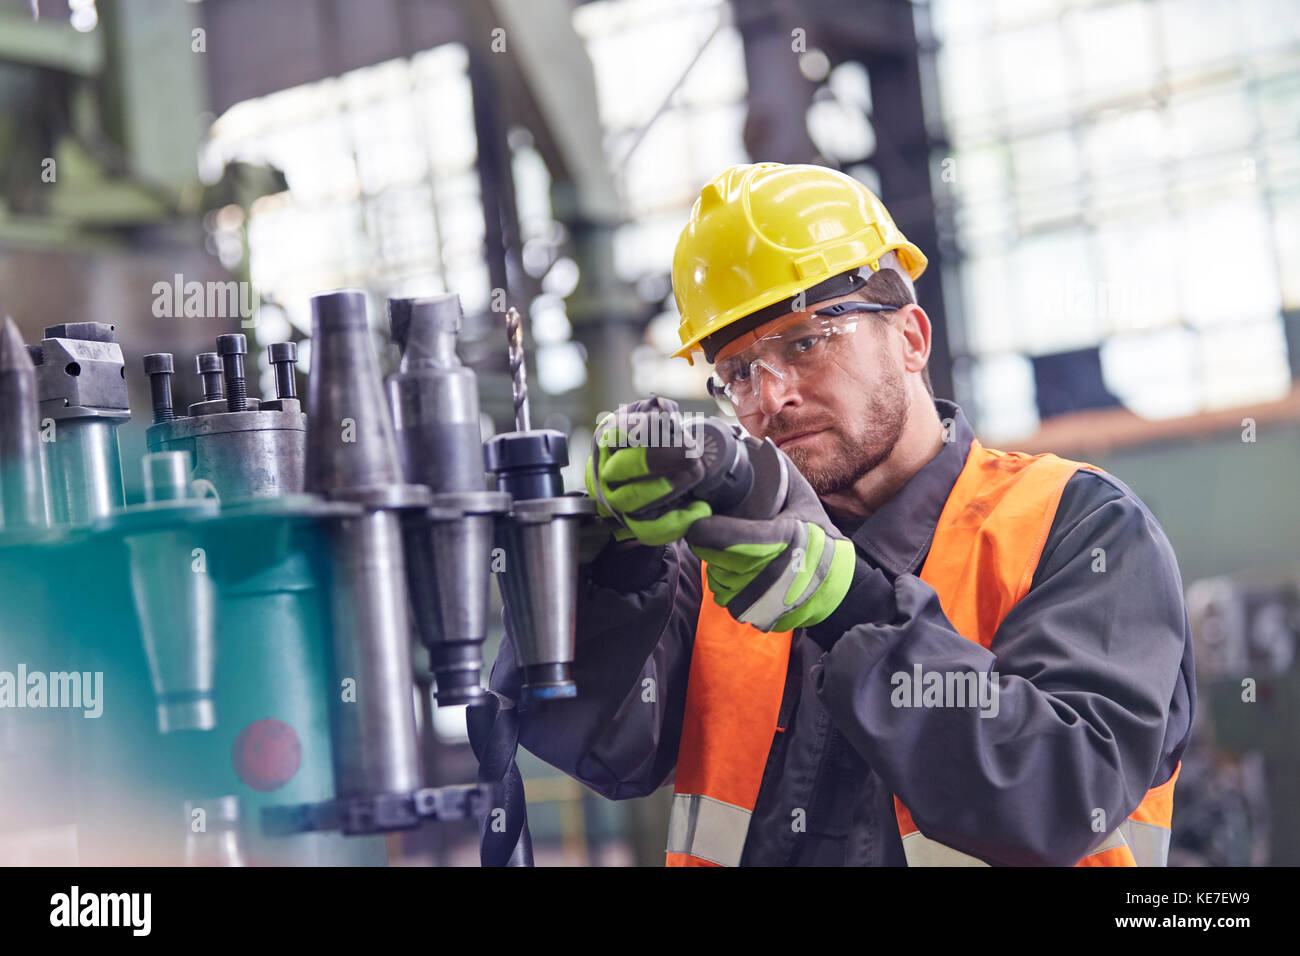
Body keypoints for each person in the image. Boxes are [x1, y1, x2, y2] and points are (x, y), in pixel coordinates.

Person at [489, 162, 1195, 867]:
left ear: (911, 338)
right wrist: (618, 566)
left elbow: (1065, 795)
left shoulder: (1077, 528)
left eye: (804, 342)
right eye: (737, 372)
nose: (769, 397)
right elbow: (606, 747)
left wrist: (851, 607)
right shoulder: (722, 568)